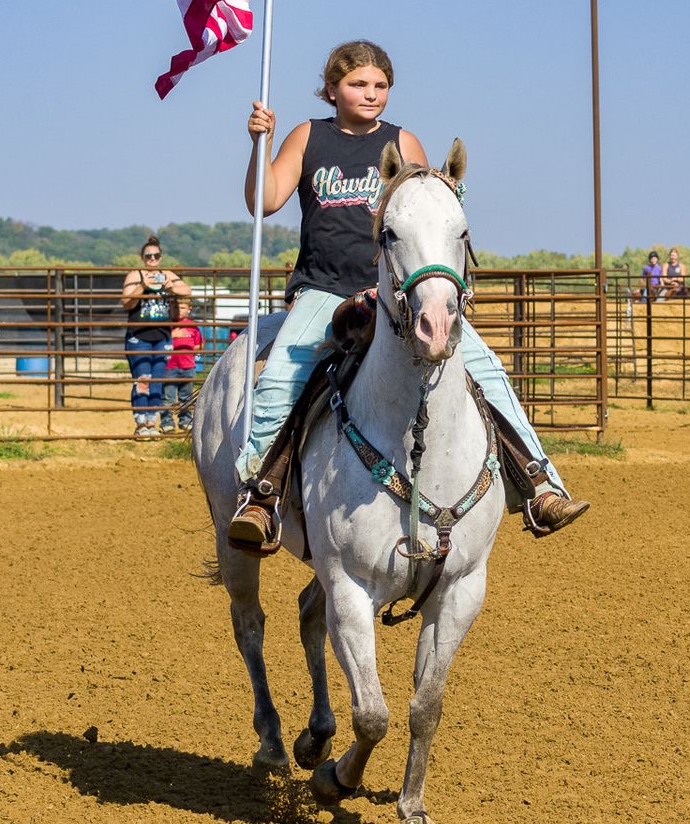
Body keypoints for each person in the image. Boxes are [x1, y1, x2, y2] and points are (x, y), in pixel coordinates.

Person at [228, 40, 587, 550]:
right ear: (332, 89)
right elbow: (263, 201)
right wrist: (258, 147)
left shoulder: (405, 142)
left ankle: (539, 482)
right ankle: (260, 498)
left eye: (380, 86)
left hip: (397, 291)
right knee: (280, 379)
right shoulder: (310, 137)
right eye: (357, 84)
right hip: (324, 289)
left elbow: (428, 214)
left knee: (485, 369)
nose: (370, 94)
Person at [120, 235, 191, 436]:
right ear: (142, 257)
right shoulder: (135, 275)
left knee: (158, 379)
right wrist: (142, 286)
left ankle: (152, 421)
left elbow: (187, 290)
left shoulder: (166, 274)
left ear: (160, 257)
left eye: (156, 255)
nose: (152, 259)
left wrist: (170, 286)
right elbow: (126, 301)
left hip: (162, 335)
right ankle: (141, 422)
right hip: (139, 335)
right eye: (148, 256)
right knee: (143, 379)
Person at [167, 303, 203, 433]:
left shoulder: (192, 326)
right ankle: (167, 422)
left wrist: (191, 350)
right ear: (170, 309)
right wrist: (173, 336)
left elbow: (199, 344)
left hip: (187, 365)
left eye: (182, 307)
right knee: (168, 396)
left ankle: (185, 420)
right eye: (175, 307)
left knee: (186, 396)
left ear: (189, 309)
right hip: (169, 365)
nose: (178, 310)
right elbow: (161, 342)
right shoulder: (168, 325)